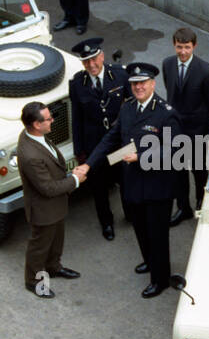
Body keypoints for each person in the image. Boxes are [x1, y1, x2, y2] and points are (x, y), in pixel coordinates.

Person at [81, 62, 181, 297]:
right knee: (140, 229)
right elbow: (111, 139)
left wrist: (141, 156)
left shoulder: (166, 113)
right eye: (134, 84)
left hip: (158, 186)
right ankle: (149, 261)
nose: (138, 87)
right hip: (133, 182)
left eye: (142, 83)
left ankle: (161, 279)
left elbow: (175, 151)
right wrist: (89, 163)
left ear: (153, 84)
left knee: (157, 235)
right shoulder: (127, 109)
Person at [15, 100, 85, 298]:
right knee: (39, 247)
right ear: (36, 124)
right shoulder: (30, 154)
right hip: (44, 209)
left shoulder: (35, 137)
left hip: (56, 205)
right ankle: (34, 282)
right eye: (48, 119)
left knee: (56, 240)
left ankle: (53, 267)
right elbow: (46, 188)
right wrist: (75, 180)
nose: (52, 121)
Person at [69, 37, 130, 240]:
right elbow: (77, 119)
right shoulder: (78, 83)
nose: (92, 65)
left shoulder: (120, 75)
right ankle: (106, 223)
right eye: (86, 61)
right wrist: (80, 151)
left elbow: (131, 107)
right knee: (99, 187)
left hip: (119, 143)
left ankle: (131, 214)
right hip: (94, 146)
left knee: (126, 179)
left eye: (95, 59)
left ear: (102, 56)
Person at [162, 27, 209, 225]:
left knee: (199, 171)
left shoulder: (206, 71)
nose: (183, 52)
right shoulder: (168, 64)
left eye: (187, 47)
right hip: (175, 129)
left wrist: (205, 126)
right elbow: (171, 92)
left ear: (194, 46)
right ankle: (183, 208)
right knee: (178, 172)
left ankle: (201, 204)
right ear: (174, 45)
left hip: (198, 131)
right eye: (179, 47)